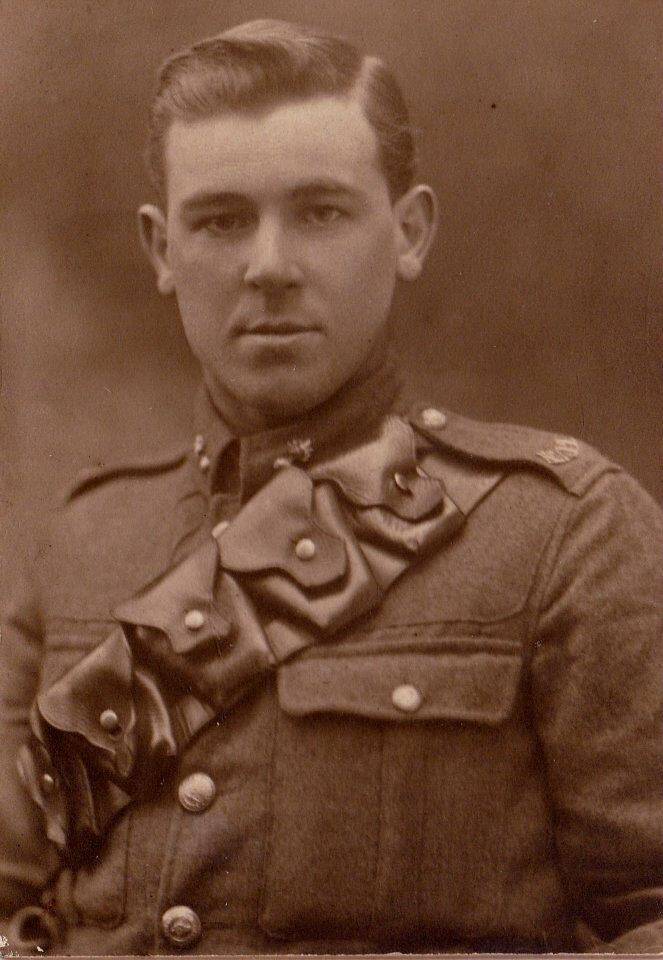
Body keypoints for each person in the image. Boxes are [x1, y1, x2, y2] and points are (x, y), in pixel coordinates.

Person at [1, 18, 662, 956]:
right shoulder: (83, 541)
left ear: (408, 232)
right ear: (160, 250)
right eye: (221, 219)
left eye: (320, 212)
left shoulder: (565, 531)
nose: (268, 267)